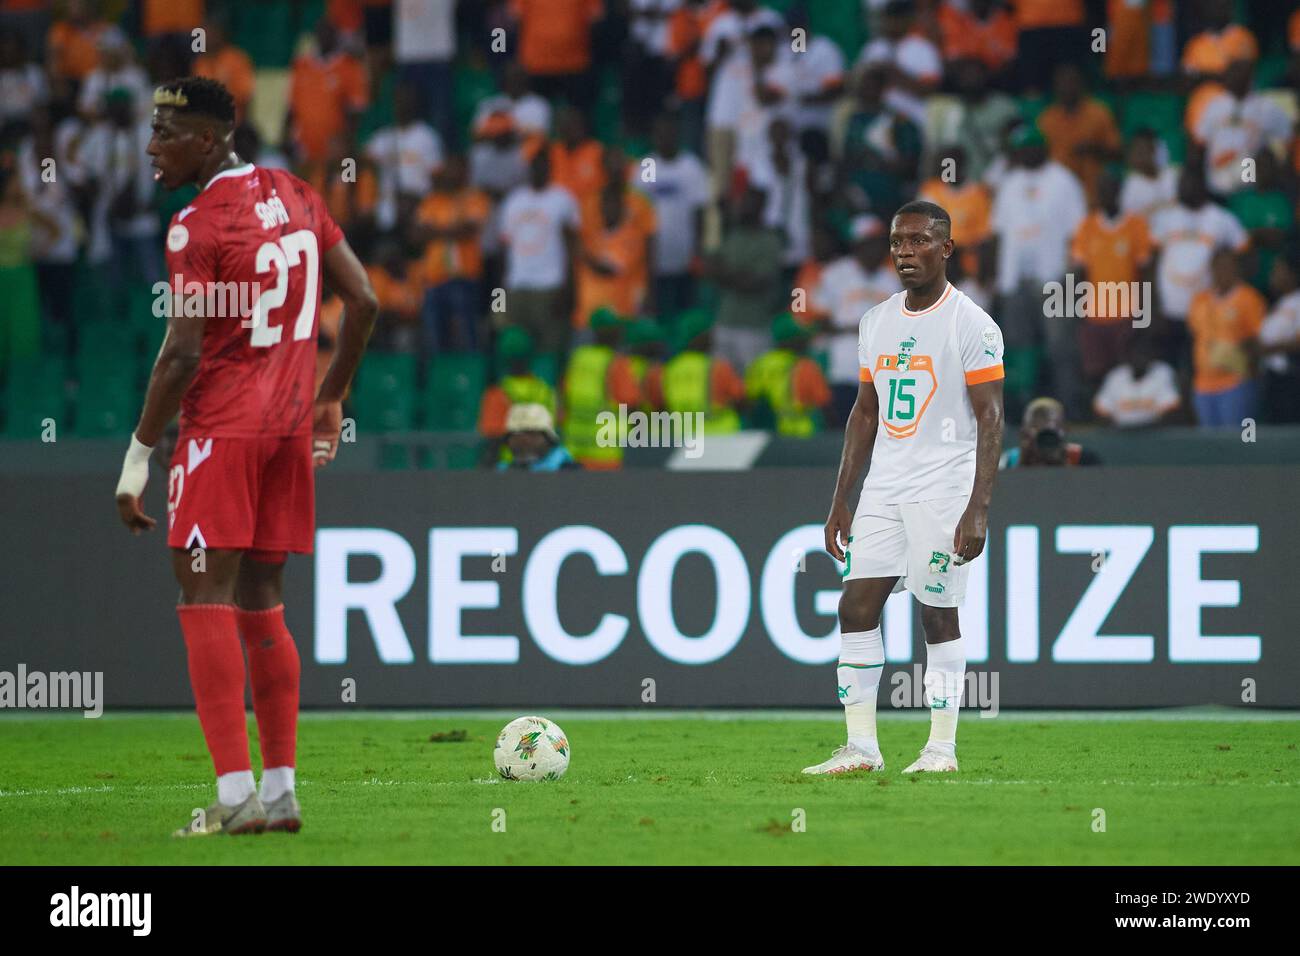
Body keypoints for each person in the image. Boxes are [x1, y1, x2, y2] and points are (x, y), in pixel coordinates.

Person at [114, 77, 379, 836]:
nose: (152, 147)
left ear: (208, 140)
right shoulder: (298, 194)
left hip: (222, 433)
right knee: (264, 604)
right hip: (288, 434)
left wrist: (137, 459)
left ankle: (235, 800)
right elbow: (363, 300)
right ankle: (283, 790)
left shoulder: (194, 226)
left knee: (204, 599)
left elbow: (180, 355)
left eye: (167, 134)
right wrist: (332, 396)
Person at [808, 200, 1004, 777]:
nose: (904, 252)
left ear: (946, 249)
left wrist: (978, 508)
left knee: (936, 613)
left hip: (944, 487)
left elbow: (991, 418)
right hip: (884, 489)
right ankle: (861, 748)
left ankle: (940, 749)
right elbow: (863, 413)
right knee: (855, 605)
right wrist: (842, 499)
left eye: (919, 241)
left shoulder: (972, 324)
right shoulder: (877, 321)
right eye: (898, 242)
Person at [499, 148, 580, 355]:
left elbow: (573, 248)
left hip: (550, 286)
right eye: (534, 166)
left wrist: (569, 288)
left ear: (550, 169)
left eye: (543, 166)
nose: (538, 170)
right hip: (517, 286)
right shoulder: (514, 201)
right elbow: (504, 252)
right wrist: (500, 295)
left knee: (550, 351)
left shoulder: (563, 199)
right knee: (516, 349)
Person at [1187, 247, 1264, 427]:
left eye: (1227, 266)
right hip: (1203, 383)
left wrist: (1236, 356)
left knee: (1236, 441)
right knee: (1211, 445)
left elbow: (1258, 339)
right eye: (1218, 266)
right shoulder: (1200, 299)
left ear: (1237, 268)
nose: (1222, 271)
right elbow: (1195, 334)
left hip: (1235, 382)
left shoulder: (1249, 298)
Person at [560, 308, 642, 469]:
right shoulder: (615, 363)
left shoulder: (578, 359)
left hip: (574, 451)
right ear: (606, 332)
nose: (620, 333)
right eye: (616, 328)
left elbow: (564, 399)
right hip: (607, 455)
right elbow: (631, 405)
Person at [744, 312, 832, 436]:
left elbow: (749, 401)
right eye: (801, 338)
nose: (805, 341)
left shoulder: (760, 363)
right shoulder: (806, 366)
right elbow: (824, 404)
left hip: (767, 433)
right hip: (803, 432)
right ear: (791, 340)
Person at [661, 308, 746, 434]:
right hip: (720, 434)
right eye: (708, 334)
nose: (712, 338)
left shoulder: (670, 368)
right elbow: (740, 399)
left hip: (682, 436)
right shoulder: (717, 367)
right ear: (699, 336)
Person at [1093, 335, 1182, 428]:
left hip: (1154, 433)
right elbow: (1101, 411)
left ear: (1152, 355)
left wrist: (1145, 429)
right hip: (1122, 435)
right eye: (1136, 353)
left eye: (1144, 353)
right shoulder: (1116, 376)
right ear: (1127, 356)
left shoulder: (1163, 372)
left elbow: (1172, 410)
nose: (1140, 358)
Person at [1000, 397, 1101, 467]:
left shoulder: (1083, 460)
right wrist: (1024, 460)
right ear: (1024, 433)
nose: (1045, 438)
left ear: (1065, 430)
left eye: (1052, 431)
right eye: (1036, 426)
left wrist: (1062, 463)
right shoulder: (1008, 461)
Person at [498, 402, 580, 471]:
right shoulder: (502, 472)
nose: (524, 440)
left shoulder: (569, 470)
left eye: (532, 434)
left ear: (549, 439)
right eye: (516, 435)